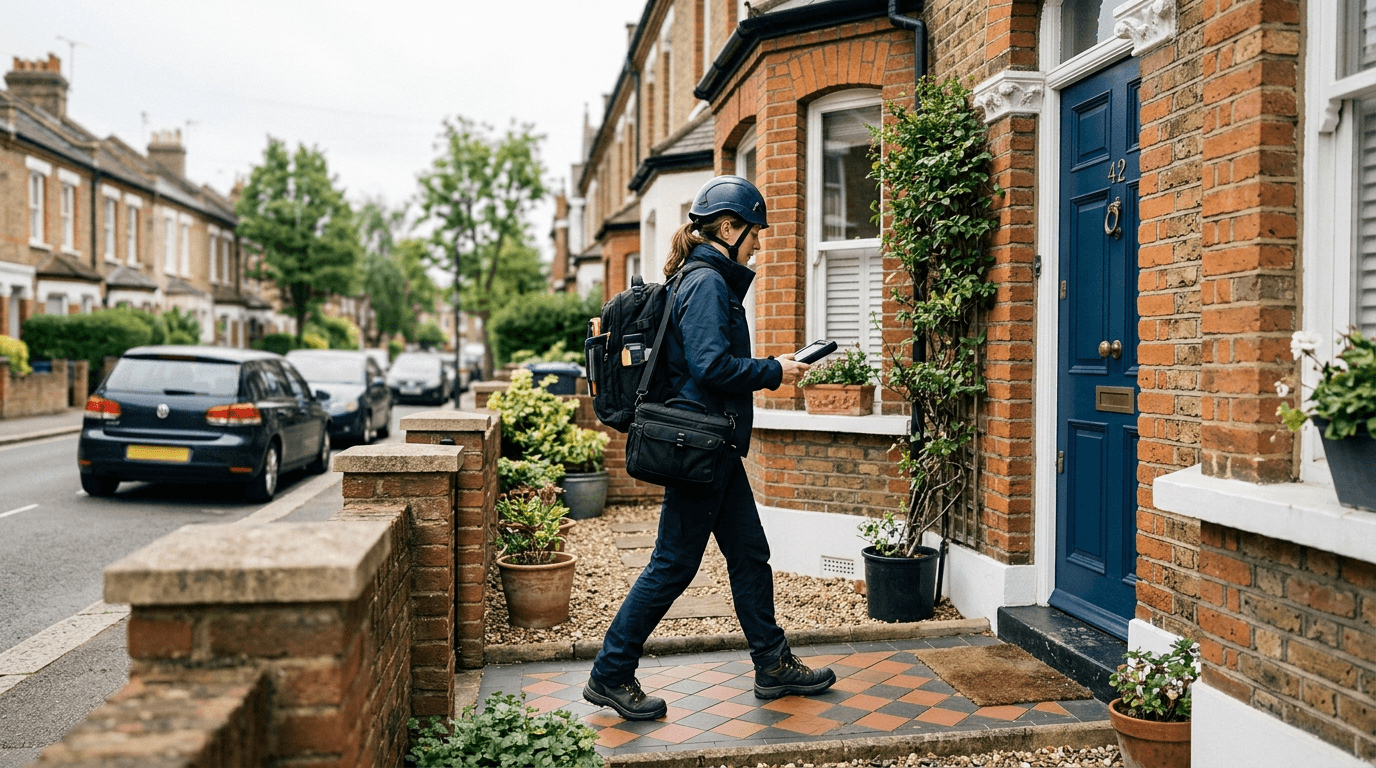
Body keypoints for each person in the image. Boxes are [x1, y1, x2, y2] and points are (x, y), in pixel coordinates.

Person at [583, 175, 837, 721]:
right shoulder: (706, 283)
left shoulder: (701, 278)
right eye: (755, 232)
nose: (760, 244)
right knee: (673, 565)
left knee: (748, 554)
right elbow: (709, 366)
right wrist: (777, 369)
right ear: (728, 228)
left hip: (712, 446)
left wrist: (770, 366)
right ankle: (610, 672)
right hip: (701, 449)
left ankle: (772, 664)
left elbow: (706, 362)